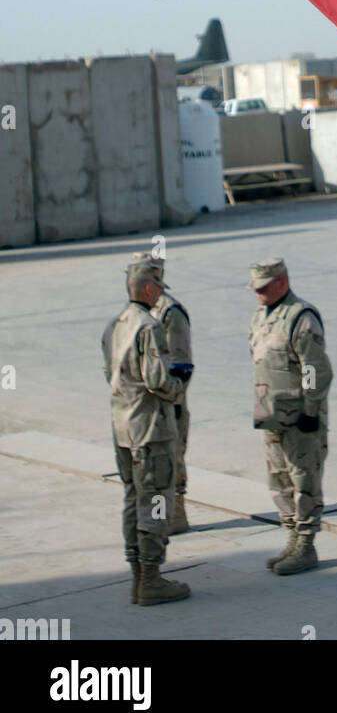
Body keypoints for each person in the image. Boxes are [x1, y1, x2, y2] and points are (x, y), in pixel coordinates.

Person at [102, 259, 193, 606]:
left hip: (122, 428)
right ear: (151, 289)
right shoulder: (149, 327)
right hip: (151, 431)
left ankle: (137, 577)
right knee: (155, 501)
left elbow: (108, 372)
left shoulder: (115, 325)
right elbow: (158, 380)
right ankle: (152, 578)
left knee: (131, 500)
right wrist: (177, 389)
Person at [248, 258, 332, 575]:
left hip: (300, 418)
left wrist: (311, 412)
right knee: (279, 480)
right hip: (270, 414)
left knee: (304, 479)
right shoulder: (260, 317)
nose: (258, 294)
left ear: (282, 282)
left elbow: (315, 370)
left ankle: (306, 545)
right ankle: (292, 537)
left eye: (263, 287)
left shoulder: (301, 318)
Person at [131, 251, 194, 535]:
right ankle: (158, 514)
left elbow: (182, 365)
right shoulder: (139, 311)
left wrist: (172, 397)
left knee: (171, 461)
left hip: (169, 403)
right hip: (144, 405)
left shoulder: (170, 312)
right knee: (150, 465)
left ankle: (175, 514)